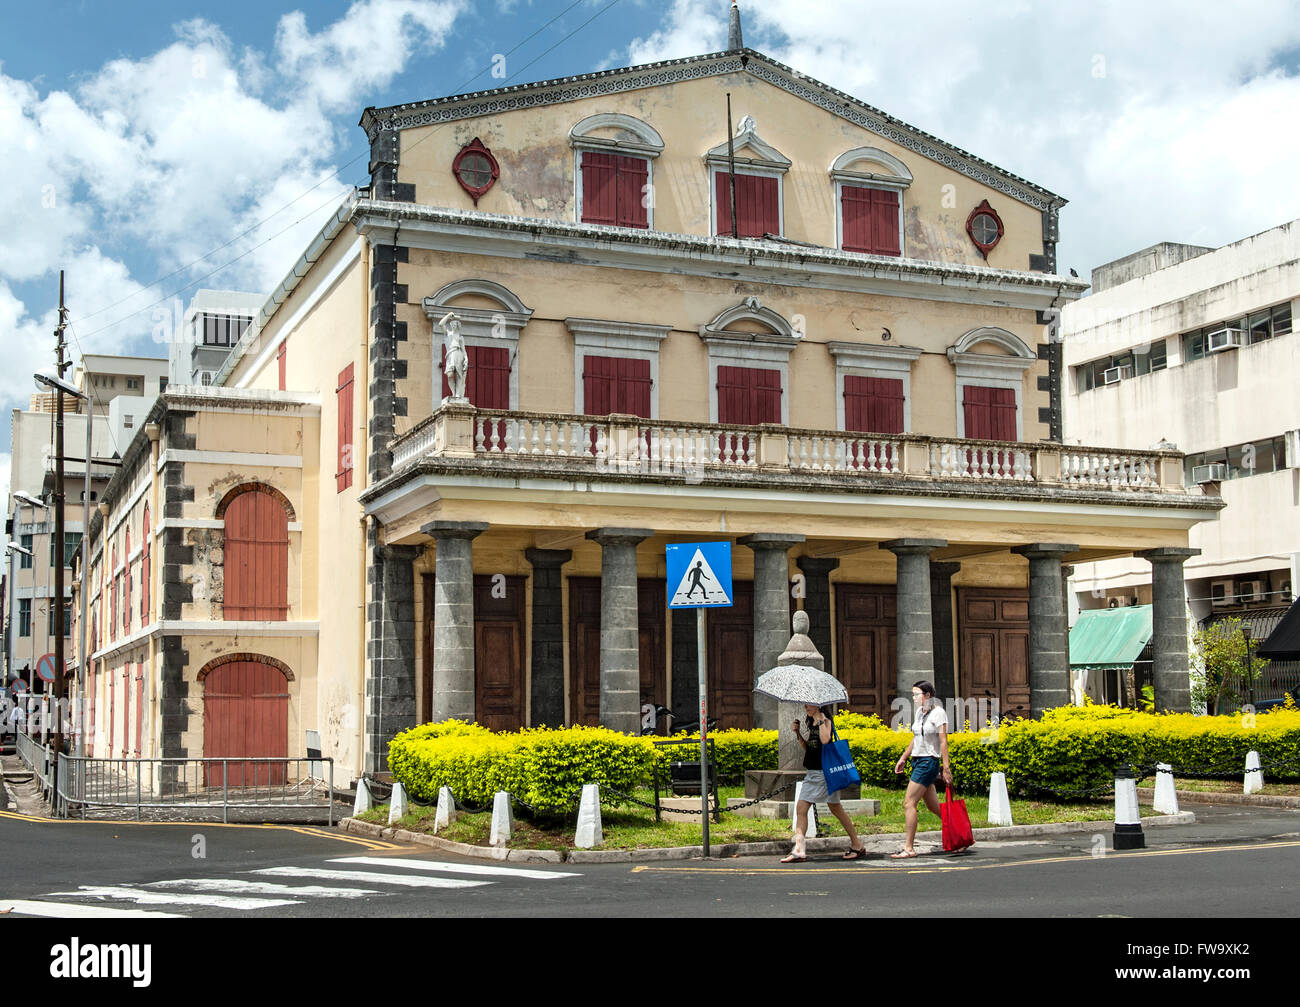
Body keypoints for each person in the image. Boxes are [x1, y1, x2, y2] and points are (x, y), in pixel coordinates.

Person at [781, 703, 867, 863]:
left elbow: (826, 740)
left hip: (821, 773)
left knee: (801, 808)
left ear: (818, 705)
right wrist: (798, 733)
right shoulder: (811, 722)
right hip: (817, 772)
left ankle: (799, 849)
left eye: (809, 705)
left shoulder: (824, 721)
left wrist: (820, 720)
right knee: (835, 808)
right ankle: (857, 844)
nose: (806, 707)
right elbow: (809, 748)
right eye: (805, 705)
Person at [891, 680, 952, 858]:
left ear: (927, 695)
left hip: (928, 762)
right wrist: (903, 758)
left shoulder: (939, 713)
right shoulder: (920, 712)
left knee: (909, 803)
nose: (914, 697)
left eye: (917, 694)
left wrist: (946, 768)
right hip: (917, 761)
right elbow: (915, 738)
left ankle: (909, 848)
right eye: (913, 694)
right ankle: (959, 833)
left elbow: (943, 741)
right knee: (934, 807)